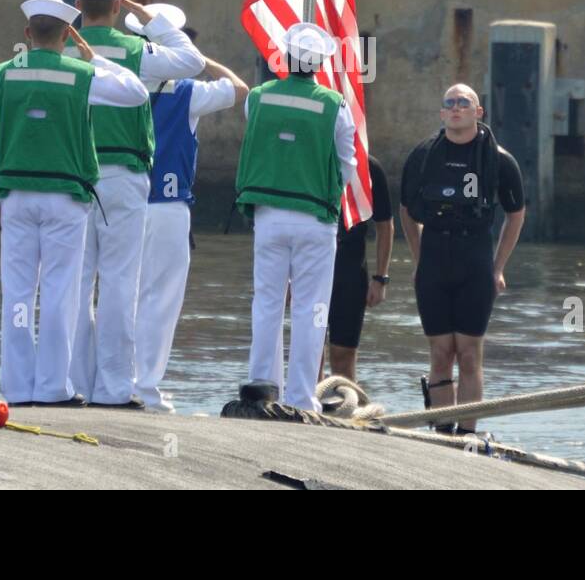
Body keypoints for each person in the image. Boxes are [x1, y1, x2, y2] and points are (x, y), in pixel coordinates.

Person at [0, 0, 148, 406]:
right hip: (66, 198)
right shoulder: (82, 74)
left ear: (27, 34)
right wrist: (95, 58)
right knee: (59, 292)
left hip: (15, 195)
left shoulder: (0, 75)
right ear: (69, 35)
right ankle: (52, 387)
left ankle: (16, 388)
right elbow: (136, 93)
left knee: (16, 293)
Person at [63, 0, 204, 408]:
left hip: (72, 177)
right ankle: (114, 388)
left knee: (74, 284)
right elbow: (191, 61)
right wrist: (150, 18)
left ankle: (71, 383)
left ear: (79, 7)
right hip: (123, 176)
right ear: (119, 8)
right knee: (121, 282)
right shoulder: (134, 49)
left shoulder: (61, 51)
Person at [236, 23, 358, 411]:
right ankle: (302, 398)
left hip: (268, 214)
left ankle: (260, 385)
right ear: (320, 63)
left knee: (266, 302)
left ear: (285, 58)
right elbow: (347, 163)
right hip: (315, 217)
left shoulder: (257, 97)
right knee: (311, 308)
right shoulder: (334, 104)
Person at [399, 84, 525, 436]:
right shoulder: (424, 155)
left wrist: (498, 267)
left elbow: (516, 214)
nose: (456, 108)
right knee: (441, 353)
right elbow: (407, 211)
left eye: (463, 103)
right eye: (449, 104)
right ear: (442, 113)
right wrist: (419, 257)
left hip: (475, 258)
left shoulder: (498, 159)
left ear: (478, 112)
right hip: (436, 255)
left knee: (469, 353)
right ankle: (443, 432)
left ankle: (467, 433)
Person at [134, 31, 249, 412]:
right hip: (168, 207)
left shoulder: (114, 82)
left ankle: (109, 381)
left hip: (121, 203)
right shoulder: (188, 92)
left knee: (115, 295)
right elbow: (239, 89)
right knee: (161, 300)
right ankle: (146, 386)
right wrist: (201, 60)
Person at [324, 154, 394, 383]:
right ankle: (309, 409)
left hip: (351, 271)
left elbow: (385, 225)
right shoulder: (310, 157)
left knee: (343, 354)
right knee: (310, 350)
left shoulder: (369, 166)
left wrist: (380, 278)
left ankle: (345, 409)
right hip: (313, 270)